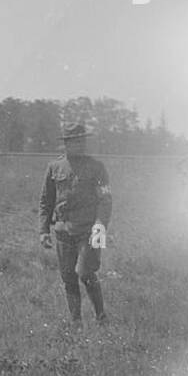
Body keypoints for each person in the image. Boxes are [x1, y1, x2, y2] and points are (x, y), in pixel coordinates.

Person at [39, 123, 112, 324]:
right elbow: (46, 201)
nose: (78, 145)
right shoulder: (54, 167)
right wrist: (44, 230)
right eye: (73, 141)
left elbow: (106, 200)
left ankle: (101, 317)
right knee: (68, 277)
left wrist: (100, 226)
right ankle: (76, 322)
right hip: (63, 231)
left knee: (85, 272)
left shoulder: (97, 168)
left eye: (82, 141)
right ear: (65, 144)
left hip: (91, 230)